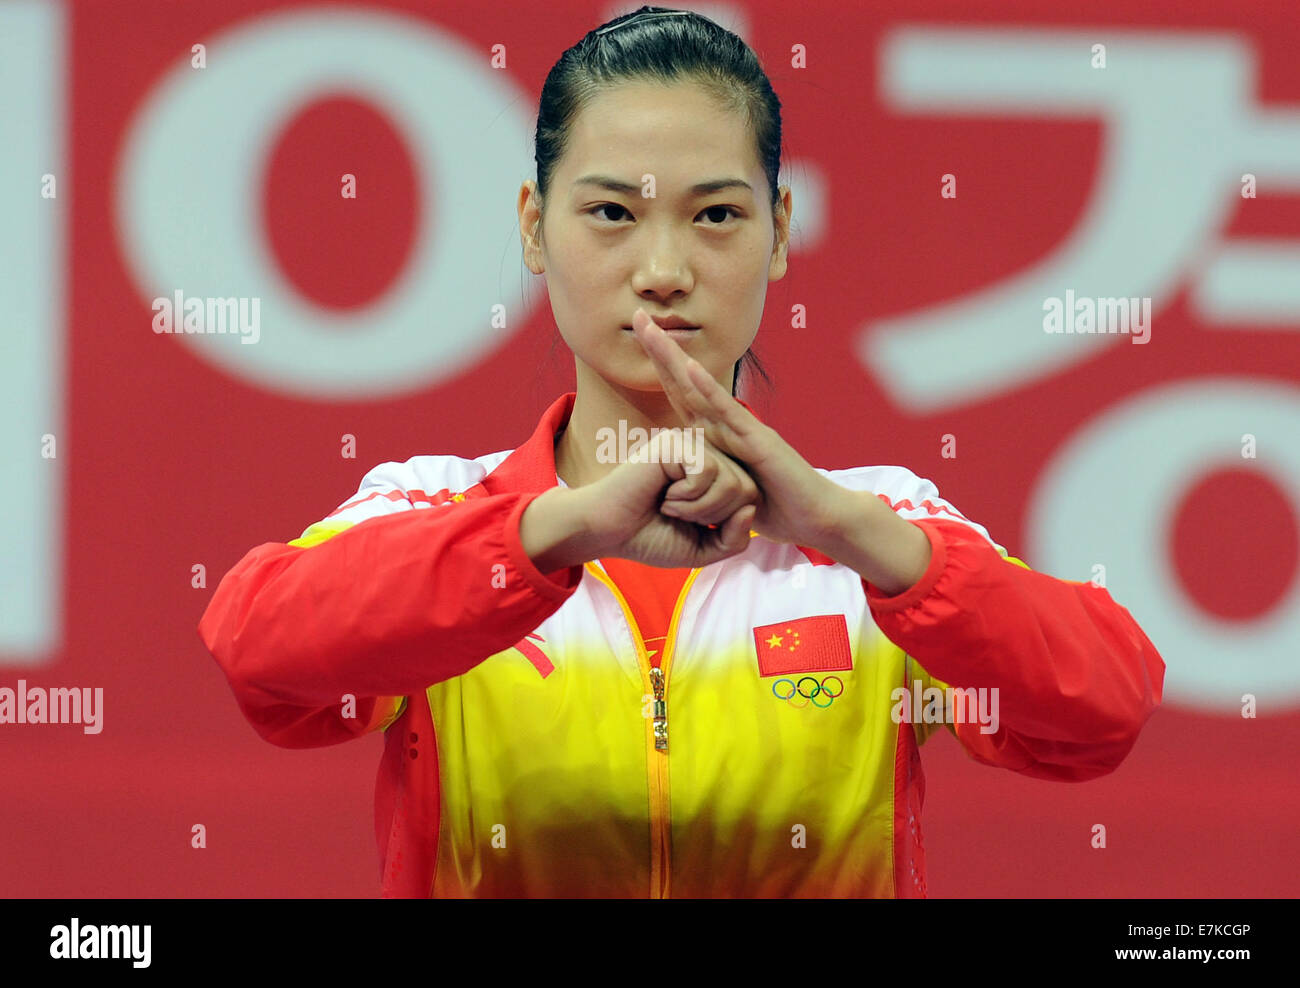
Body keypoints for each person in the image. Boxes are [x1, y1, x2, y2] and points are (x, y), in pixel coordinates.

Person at [197, 5, 1165, 898]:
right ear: (534, 228)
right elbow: (260, 654)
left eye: (716, 215)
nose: (662, 273)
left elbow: (1105, 708)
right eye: (611, 213)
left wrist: (845, 529)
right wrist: (553, 535)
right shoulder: (440, 513)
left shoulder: (880, 537)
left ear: (779, 232)